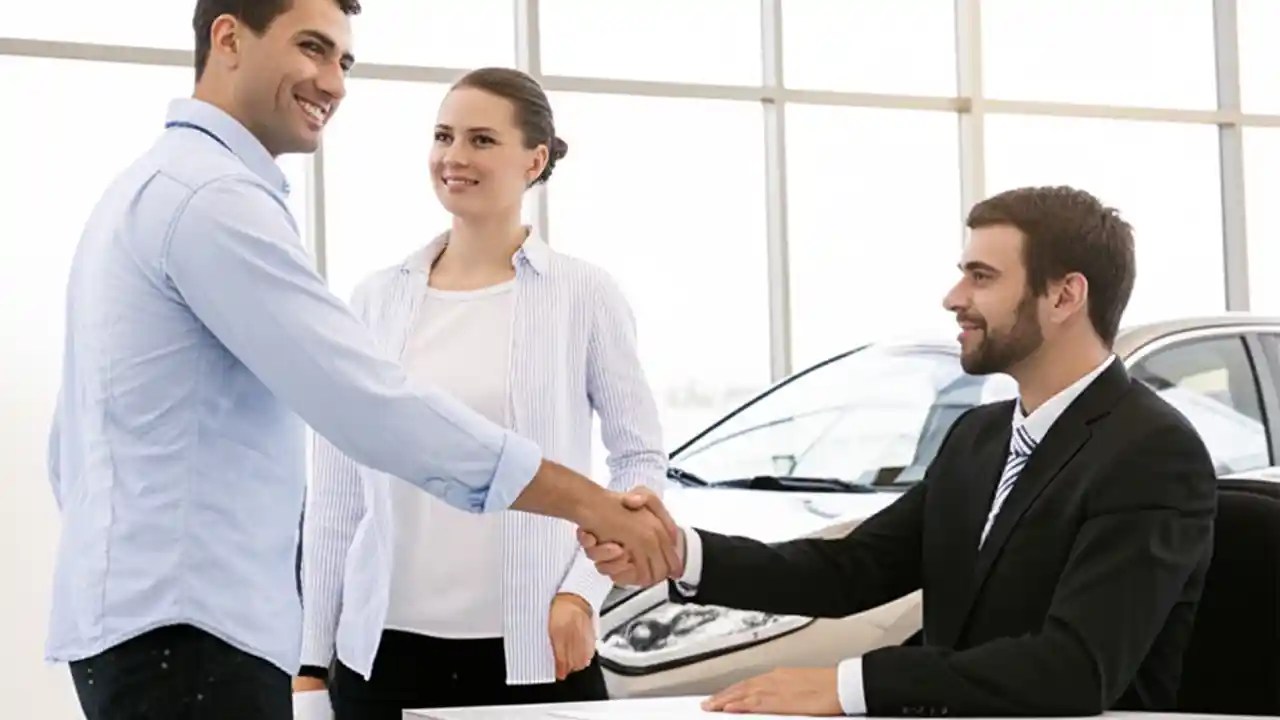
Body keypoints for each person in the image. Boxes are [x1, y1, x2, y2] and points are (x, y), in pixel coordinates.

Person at [45, 2, 679, 719]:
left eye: (342, 61)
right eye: (312, 48)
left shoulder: (164, 185)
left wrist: (580, 583)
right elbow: (366, 421)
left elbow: (69, 449)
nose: (334, 82)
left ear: (535, 161)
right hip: (196, 632)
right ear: (228, 38)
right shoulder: (217, 203)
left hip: (164, 625)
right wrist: (588, 502)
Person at [582, 186, 1219, 717]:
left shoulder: (1152, 452)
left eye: (981, 276)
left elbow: (1075, 669)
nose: (954, 297)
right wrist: (677, 553)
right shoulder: (984, 435)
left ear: (1063, 296)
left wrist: (845, 687)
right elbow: (853, 568)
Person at [290, 67, 666, 718]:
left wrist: (582, 593)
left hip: (538, 649)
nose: (454, 157)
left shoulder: (583, 295)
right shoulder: (376, 300)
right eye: (443, 136)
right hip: (382, 654)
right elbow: (337, 496)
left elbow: (640, 460)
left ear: (535, 159)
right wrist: (309, 662)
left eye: (482, 140)